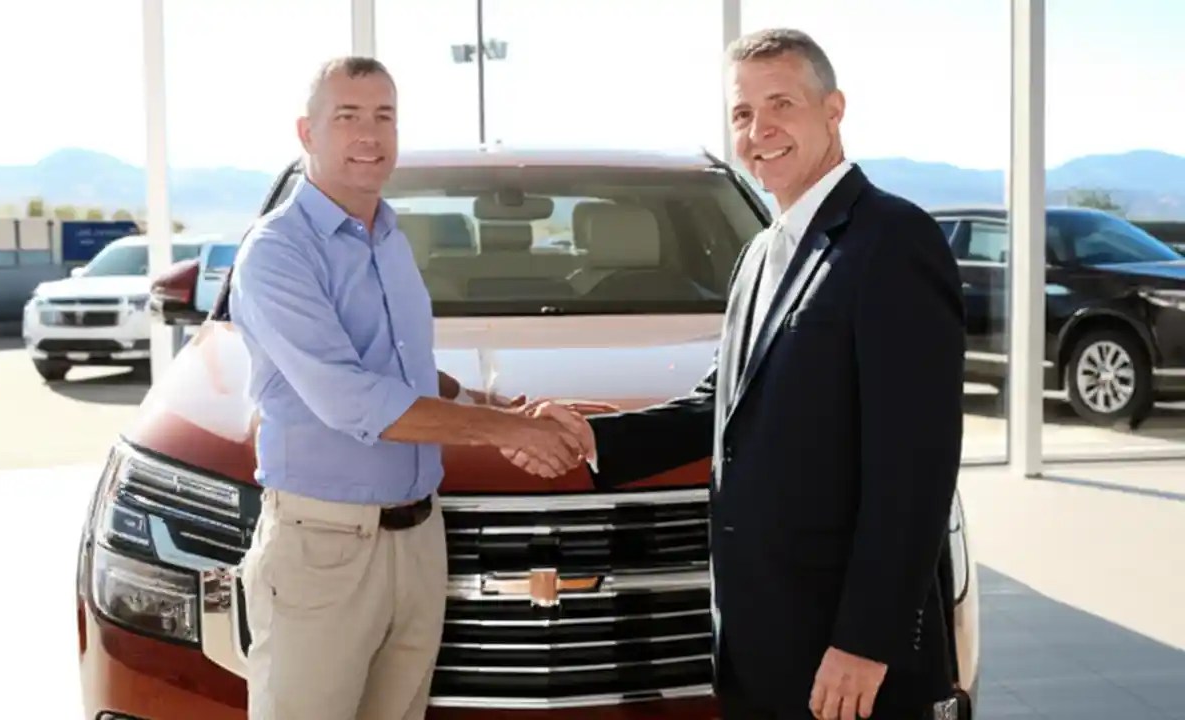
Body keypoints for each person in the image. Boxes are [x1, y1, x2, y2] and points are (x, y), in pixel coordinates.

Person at [518, 28, 966, 720]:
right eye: (742, 114)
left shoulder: (892, 241)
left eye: (780, 104)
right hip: (761, 642)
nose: (760, 130)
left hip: (845, 658)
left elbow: (916, 468)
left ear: (833, 109)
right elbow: (720, 408)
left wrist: (866, 642)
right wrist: (595, 436)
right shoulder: (760, 252)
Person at [228, 56, 594, 720]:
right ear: (306, 132)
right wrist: (512, 433)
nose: (369, 135)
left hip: (421, 538)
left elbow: (404, 372)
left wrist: (495, 405)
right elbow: (351, 399)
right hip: (325, 547)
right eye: (347, 117)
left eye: (384, 116)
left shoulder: (389, 236)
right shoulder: (278, 252)